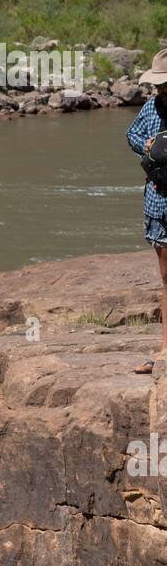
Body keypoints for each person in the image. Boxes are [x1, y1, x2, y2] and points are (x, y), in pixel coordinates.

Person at [126, 48, 167, 374]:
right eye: (158, 85)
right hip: (158, 199)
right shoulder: (152, 107)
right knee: (166, 278)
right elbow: (131, 134)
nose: (161, 91)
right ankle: (165, 349)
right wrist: (147, 145)